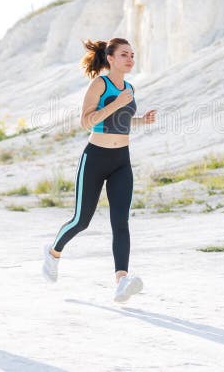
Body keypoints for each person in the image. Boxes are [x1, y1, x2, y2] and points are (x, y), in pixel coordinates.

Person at [42, 38, 156, 302]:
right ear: (111, 58)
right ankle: (53, 252)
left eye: (132, 55)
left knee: (121, 222)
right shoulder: (100, 84)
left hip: (121, 160)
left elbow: (121, 121)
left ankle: (121, 281)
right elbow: (87, 121)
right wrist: (117, 103)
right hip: (95, 158)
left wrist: (141, 120)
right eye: (124, 54)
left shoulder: (129, 87)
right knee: (82, 220)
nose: (130, 59)